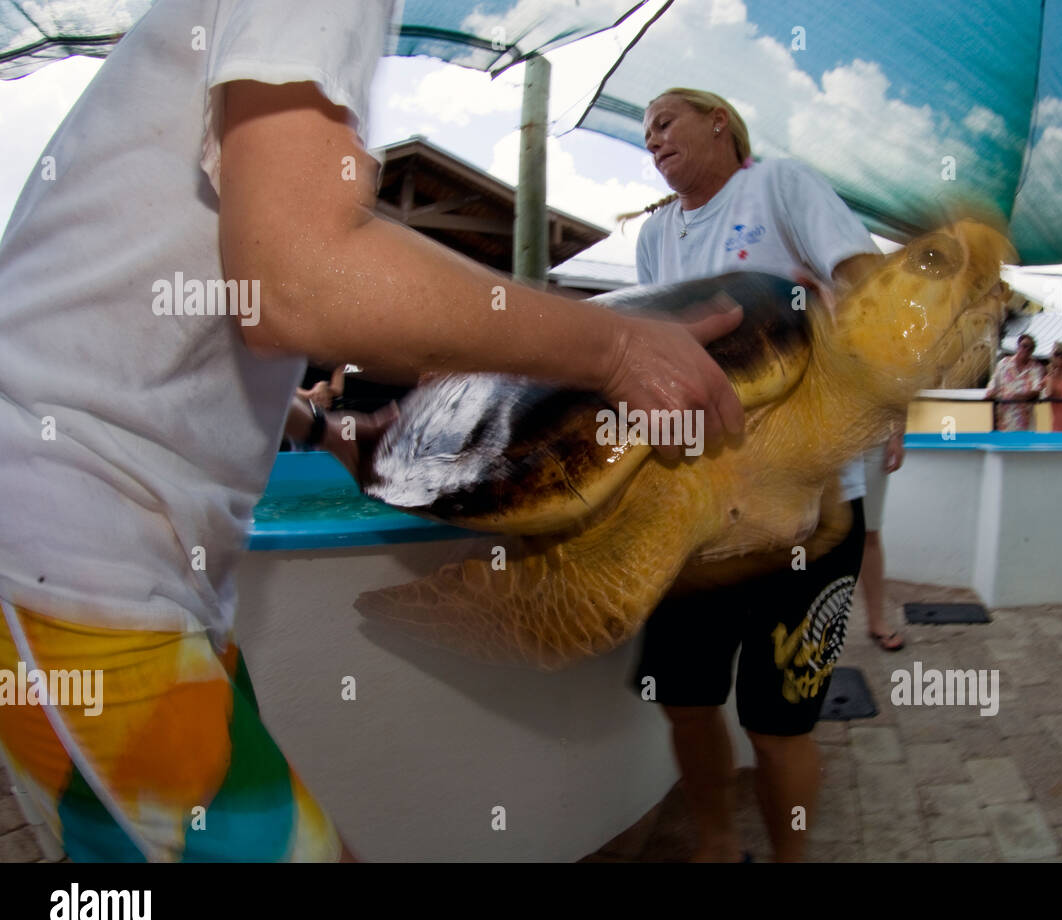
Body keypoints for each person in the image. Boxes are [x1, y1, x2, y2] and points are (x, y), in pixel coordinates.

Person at [0, 2, 743, 863]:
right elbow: (297, 280)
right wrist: (616, 346)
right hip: (73, 546)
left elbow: (186, 303)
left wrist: (318, 426)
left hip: (125, 551)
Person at [627, 87, 884, 862]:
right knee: (683, 698)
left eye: (664, 122)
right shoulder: (655, 235)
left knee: (778, 726)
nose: (651, 140)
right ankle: (715, 846)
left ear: (719, 121)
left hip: (812, 509)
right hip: (700, 513)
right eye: (643, 133)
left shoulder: (779, 185)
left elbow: (870, 282)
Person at [843, 427, 906, 651]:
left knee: (870, 532)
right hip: (821, 441)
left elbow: (895, 391)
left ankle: (876, 621)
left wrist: (897, 436)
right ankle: (803, 625)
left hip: (872, 441)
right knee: (809, 537)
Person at [985, 334, 1044, 431]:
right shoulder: (1003, 364)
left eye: (1030, 348)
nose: (1026, 350)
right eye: (1024, 346)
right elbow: (992, 387)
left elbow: (1036, 390)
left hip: (1026, 424)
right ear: (1018, 346)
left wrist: (1016, 397)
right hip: (1004, 422)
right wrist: (991, 394)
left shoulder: (1036, 368)